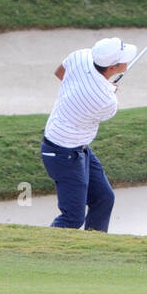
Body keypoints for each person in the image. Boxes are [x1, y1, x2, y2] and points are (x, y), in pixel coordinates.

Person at [40, 37, 137, 230]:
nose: (128, 61)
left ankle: (95, 248)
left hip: (79, 149)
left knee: (103, 198)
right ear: (112, 68)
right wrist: (105, 89)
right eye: (125, 58)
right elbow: (102, 105)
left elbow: (60, 73)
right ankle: (40, 250)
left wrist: (86, 87)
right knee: (73, 218)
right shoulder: (106, 101)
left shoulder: (81, 56)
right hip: (62, 154)